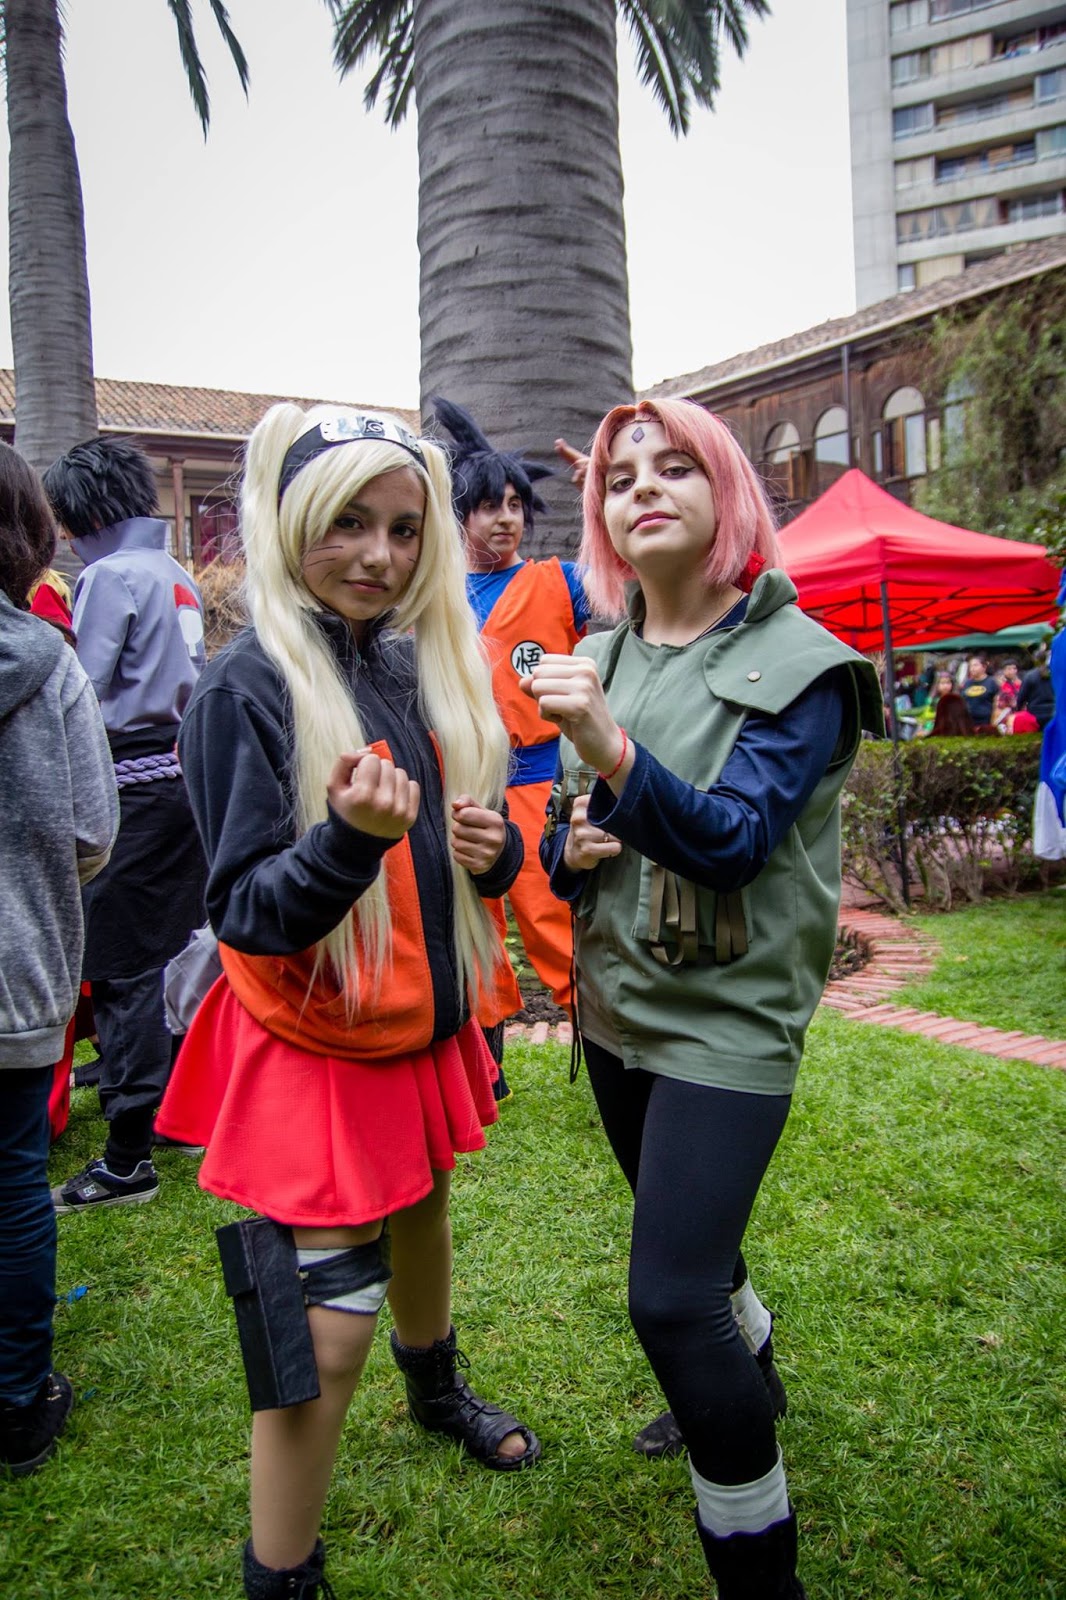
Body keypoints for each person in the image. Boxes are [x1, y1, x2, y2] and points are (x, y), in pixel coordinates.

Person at [154, 405, 540, 1600]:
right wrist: (346, 843)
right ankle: (281, 1573)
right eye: (349, 526)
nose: (379, 554)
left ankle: (436, 1390)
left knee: (423, 1205)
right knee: (324, 1324)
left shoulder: (408, 657)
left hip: (415, 1021)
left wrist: (490, 860)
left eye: (403, 529)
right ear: (289, 524)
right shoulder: (245, 686)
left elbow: (453, 862)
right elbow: (247, 912)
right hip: (315, 1038)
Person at [528, 400, 881, 1599]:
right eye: (620, 477)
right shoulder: (609, 648)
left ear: (727, 493)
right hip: (618, 1012)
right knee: (706, 1256)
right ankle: (755, 1365)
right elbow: (564, 826)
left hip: (727, 1020)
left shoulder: (806, 667)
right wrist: (551, 843)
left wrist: (612, 753)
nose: (643, 488)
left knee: (671, 1299)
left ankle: (756, 1568)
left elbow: (729, 841)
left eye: (676, 466)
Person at [42, 438, 208, 1210]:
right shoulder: (175, 572)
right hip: (181, 781)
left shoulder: (108, 576)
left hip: (132, 783)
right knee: (174, 950)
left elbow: (83, 686)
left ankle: (127, 1154)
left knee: (122, 964)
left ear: (86, 515)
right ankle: (177, 1113)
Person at [0, 443, 118, 1475]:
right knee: (10, 1185)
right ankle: (17, 1399)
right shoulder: (49, 661)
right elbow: (92, 826)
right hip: (17, 970)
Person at [433, 398, 590, 1048]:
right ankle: (484, 1064)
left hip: (537, 784)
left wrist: (604, 491)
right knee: (471, 926)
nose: (507, 519)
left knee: (556, 925)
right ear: (459, 513)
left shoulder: (560, 583)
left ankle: (615, 1058)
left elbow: (638, 578)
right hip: (458, 787)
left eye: (516, 504)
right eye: (490, 505)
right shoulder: (430, 600)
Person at [1016, 647, 1056, 731]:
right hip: (1053, 712)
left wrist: (1018, 710)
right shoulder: (1055, 674)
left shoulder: (1030, 676)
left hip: (1035, 714)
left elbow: (1021, 697)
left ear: (1035, 660)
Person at [959, 655, 996, 729]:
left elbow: (996, 702)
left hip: (986, 722)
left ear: (984, 667)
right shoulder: (967, 683)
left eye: (975, 665)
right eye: (970, 666)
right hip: (969, 721)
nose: (972, 668)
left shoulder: (992, 682)